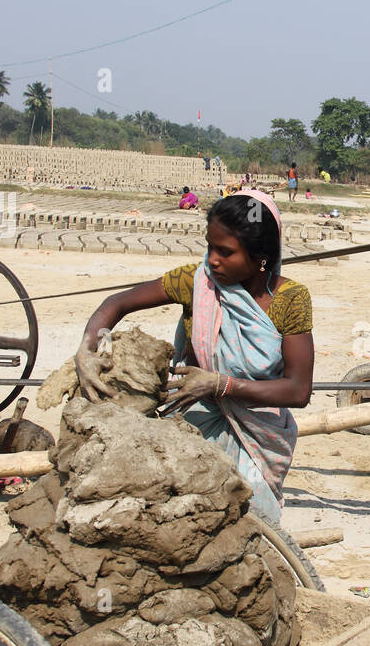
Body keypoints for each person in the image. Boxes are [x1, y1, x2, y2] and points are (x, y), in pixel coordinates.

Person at [74, 191, 313, 525]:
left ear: (260, 255)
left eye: (226, 252)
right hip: (196, 426)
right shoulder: (197, 281)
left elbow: (298, 390)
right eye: (209, 246)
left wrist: (221, 384)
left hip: (258, 434)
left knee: (250, 522)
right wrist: (88, 350)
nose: (212, 260)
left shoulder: (290, 299)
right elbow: (115, 304)